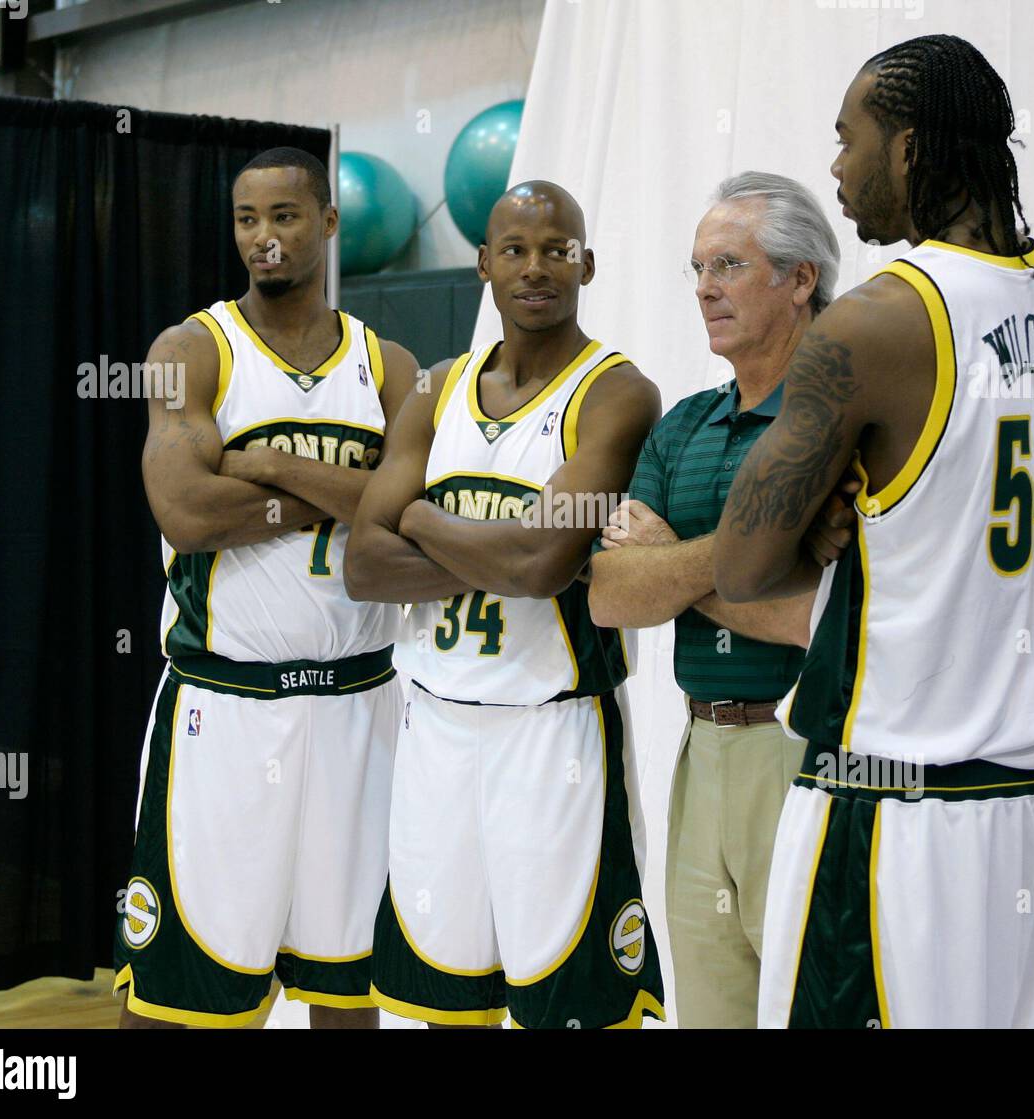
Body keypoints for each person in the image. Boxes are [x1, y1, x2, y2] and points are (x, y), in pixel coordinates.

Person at [715, 35, 1034, 1029]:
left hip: (892, 808)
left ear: (906, 150)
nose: (836, 169)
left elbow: (743, 561)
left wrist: (814, 523)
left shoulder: (877, 322)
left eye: (846, 140)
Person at [346, 181, 666, 1029]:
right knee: (443, 1005)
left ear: (587, 264)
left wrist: (416, 515)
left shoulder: (616, 393)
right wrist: (489, 545)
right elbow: (364, 565)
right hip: (435, 730)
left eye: (557, 249)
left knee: (571, 1007)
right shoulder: (436, 388)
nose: (537, 267)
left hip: (552, 733)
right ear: (483, 263)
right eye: (516, 250)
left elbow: (543, 561)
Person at [115, 147, 417, 1029]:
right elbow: (186, 511)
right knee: (176, 992)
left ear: (328, 222)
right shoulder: (190, 350)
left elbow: (404, 517)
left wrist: (276, 465)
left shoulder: (389, 365)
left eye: (285, 216)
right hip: (227, 709)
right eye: (248, 219)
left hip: (361, 709)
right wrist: (336, 500)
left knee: (347, 988)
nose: (264, 238)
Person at [588, 172, 843, 1028]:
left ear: (800, 277)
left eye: (728, 264)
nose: (703, 286)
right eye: (698, 267)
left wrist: (676, 564)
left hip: (807, 752)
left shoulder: (845, 419)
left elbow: (825, 617)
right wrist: (746, 562)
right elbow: (613, 594)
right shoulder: (683, 423)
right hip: (701, 747)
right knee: (711, 1016)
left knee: (818, 1008)